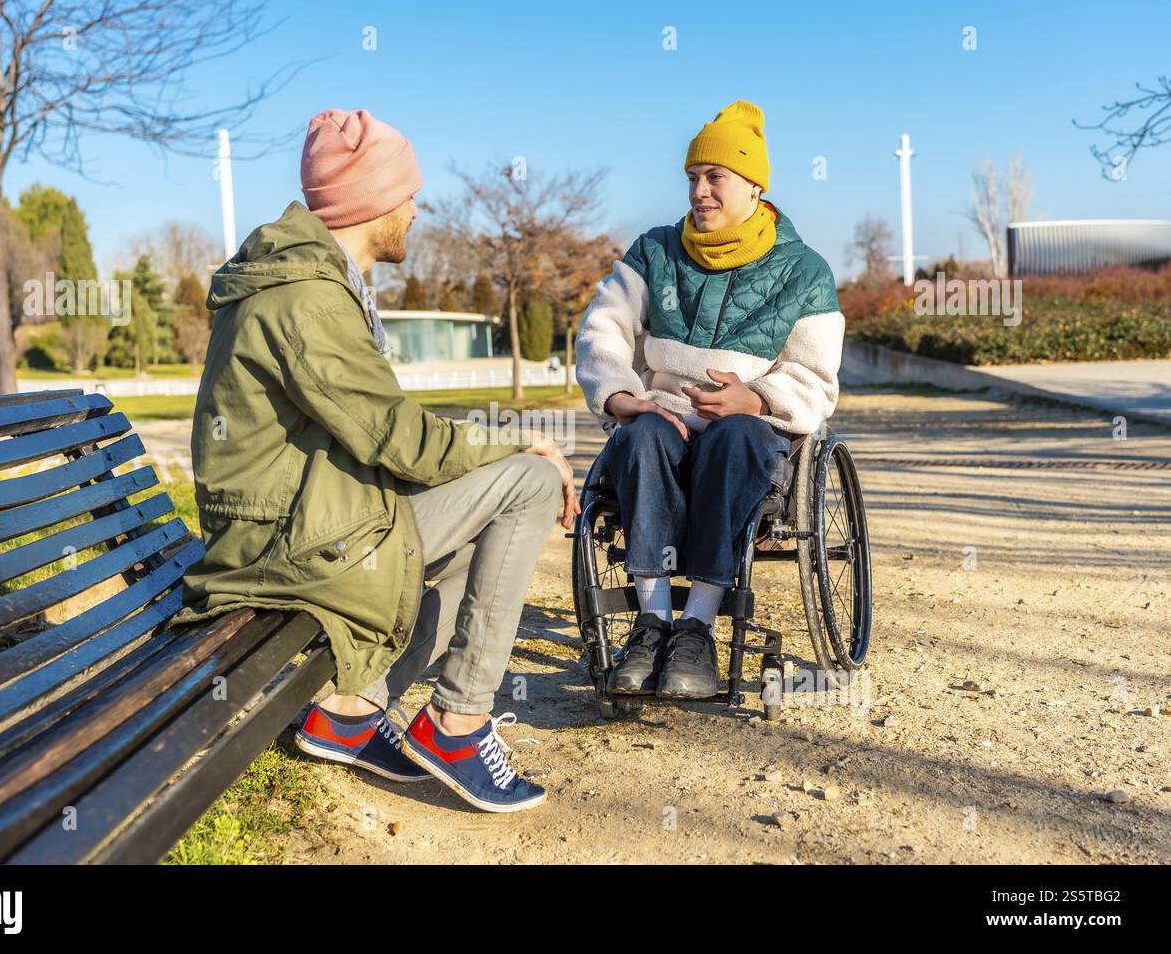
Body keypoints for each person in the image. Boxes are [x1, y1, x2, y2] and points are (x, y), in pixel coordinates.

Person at [174, 108, 579, 812]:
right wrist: (520, 439)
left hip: (299, 518)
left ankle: (352, 709)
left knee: (474, 517)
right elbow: (399, 441)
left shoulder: (317, 284)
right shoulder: (306, 299)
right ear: (370, 203)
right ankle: (457, 722)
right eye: (406, 195)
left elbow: (383, 434)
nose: (416, 210)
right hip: (286, 545)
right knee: (531, 481)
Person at [575, 100, 844, 700]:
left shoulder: (804, 272)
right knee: (642, 433)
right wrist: (621, 396)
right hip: (664, 422)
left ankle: (696, 626)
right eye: (693, 178)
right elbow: (603, 329)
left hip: (749, 431)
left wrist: (756, 398)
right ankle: (652, 626)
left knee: (737, 436)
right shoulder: (654, 252)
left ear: (753, 185)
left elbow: (815, 377)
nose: (700, 191)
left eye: (714, 177)